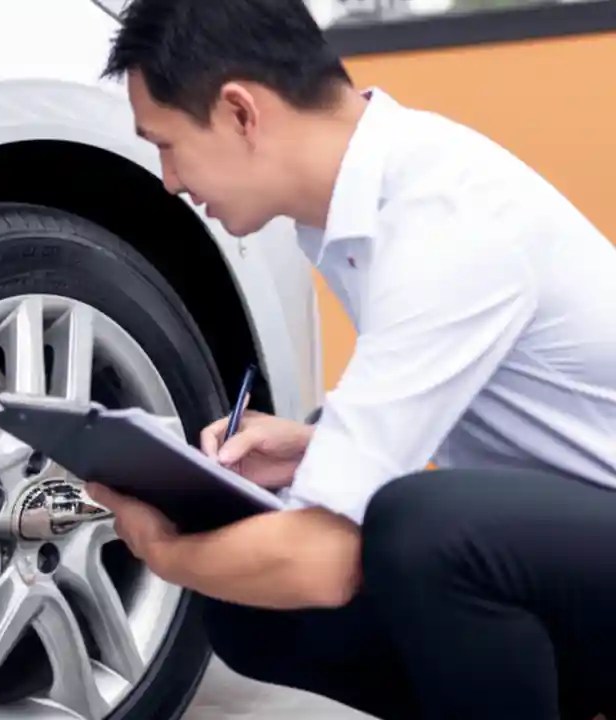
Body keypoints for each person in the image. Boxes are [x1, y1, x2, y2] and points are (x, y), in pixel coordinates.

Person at [82, 0, 616, 718]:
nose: (170, 180)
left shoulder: (445, 221)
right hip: (580, 536)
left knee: (422, 530)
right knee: (256, 608)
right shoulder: (355, 208)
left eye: (168, 143)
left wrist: (164, 552)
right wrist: (313, 448)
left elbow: (325, 567)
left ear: (241, 112)